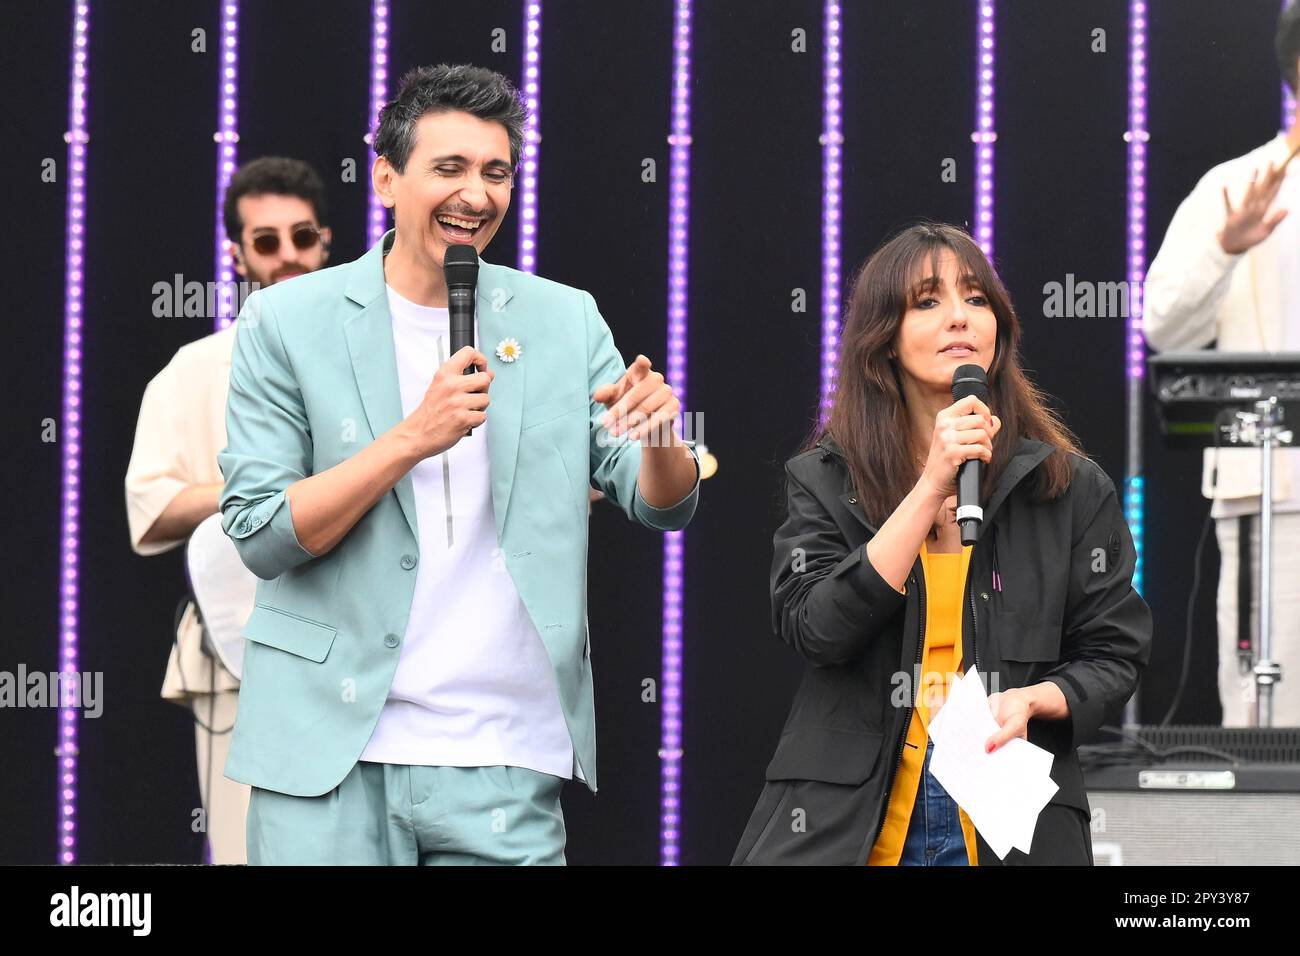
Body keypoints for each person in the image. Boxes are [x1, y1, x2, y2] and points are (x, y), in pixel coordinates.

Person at [217, 64, 701, 865]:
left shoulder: (563, 320)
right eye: (449, 168)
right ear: (385, 178)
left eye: (496, 172)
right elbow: (261, 531)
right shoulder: (286, 319)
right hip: (326, 758)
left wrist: (659, 440)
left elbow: (661, 504)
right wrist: (413, 436)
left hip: (503, 758)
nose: (476, 194)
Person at [732, 222, 1151, 866]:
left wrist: (1036, 699)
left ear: (999, 330)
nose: (959, 316)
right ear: (885, 342)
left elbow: (1115, 651)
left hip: (1005, 819)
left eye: (976, 299)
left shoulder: (1066, 486)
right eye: (927, 301)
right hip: (853, 821)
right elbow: (816, 627)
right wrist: (930, 486)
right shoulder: (824, 478)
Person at [124, 156, 332, 863]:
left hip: (367, 652)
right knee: (247, 853)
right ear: (238, 254)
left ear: (326, 241)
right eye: (266, 242)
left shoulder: (381, 357)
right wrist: (275, 492)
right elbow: (150, 509)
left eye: (301, 237)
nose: (288, 256)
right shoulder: (194, 368)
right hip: (238, 650)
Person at [1143, 4, 1300, 728]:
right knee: (1274, 733)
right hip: (1277, 510)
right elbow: (1163, 324)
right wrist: (1228, 247)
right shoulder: (1238, 187)